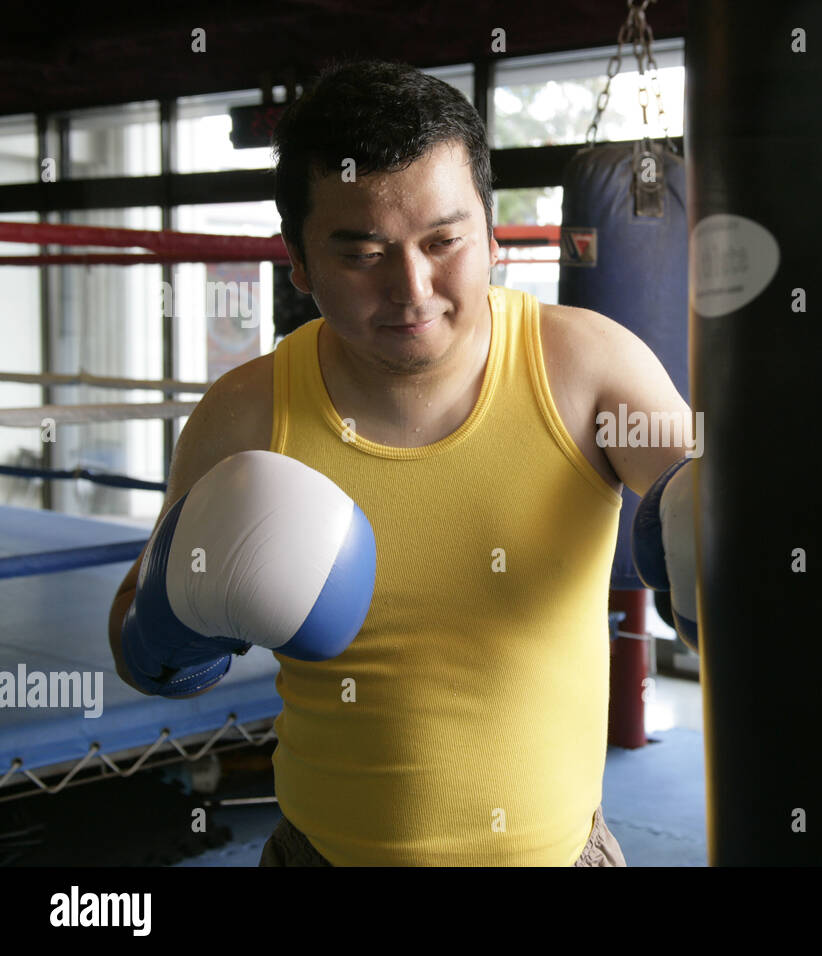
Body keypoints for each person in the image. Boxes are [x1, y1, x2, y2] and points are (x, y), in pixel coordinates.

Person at [107, 59, 694, 866]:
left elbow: (708, 505)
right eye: (362, 254)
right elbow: (141, 643)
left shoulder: (587, 366)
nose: (412, 289)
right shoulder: (245, 414)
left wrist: (712, 536)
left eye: (444, 241)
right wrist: (172, 625)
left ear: (492, 235)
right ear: (301, 265)